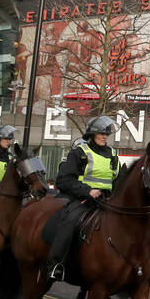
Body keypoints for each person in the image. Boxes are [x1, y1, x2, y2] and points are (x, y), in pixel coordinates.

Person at [47, 115, 121, 281]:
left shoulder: (113, 155)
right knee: (70, 222)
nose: (104, 137)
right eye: (101, 133)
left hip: (107, 201)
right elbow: (63, 180)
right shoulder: (79, 152)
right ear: (92, 134)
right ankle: (56, 264)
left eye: (107, 134)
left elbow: (117, 181)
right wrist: (87, 191)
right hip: (84, 199)